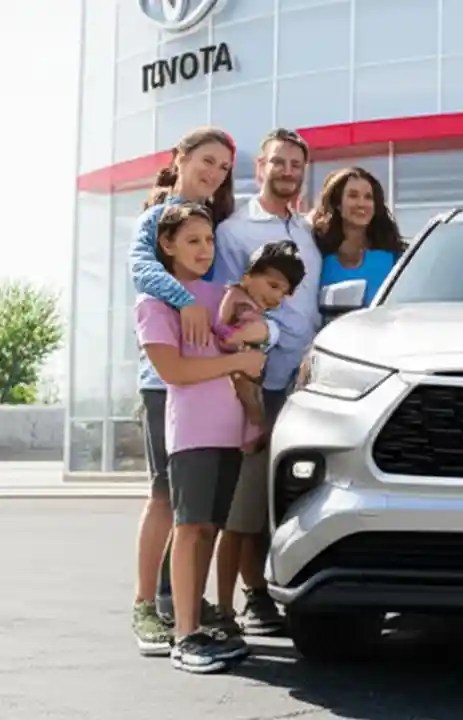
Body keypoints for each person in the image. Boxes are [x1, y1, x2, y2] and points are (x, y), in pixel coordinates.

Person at [128, 125, 244, 655]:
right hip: (166, 382)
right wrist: (184, 299)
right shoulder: (157, 218)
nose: (214, 172)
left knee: (199, 508)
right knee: (164, 495)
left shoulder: (215, 224)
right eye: (207, 160)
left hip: (211, 386)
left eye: (223, 166)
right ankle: (145, 605)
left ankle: (180, 601)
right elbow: (140, 268)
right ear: (181, 158)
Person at [135, 202, 265, 673]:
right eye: (192, 240)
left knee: (209, 529)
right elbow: (175, 371)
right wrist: (236, 361)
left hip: (232, 431)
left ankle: (194, 625)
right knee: (189, 529)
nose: (204, 249)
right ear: (166, 245)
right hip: (191, 432)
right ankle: (184, 635)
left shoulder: (220, 295)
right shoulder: (154, 304)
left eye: (209, 240)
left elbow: (255, 337)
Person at [211, 128, 323, 635]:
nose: (287, 171)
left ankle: (278, 589)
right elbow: (229, 313)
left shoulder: (308, 233)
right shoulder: (235, 232)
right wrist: (267, 335)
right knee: (246, 503)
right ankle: (244, 599)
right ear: (260, 168)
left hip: (308, 384)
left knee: (289, 498)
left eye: (296, 164)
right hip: (257, 384)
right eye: (278, 162)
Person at [214, 241, 306, 433]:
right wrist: (237, 336)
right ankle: (256, 425)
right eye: (273, 286)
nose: (277, 297)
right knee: (254, 410)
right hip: (237, 370)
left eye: (283, 293)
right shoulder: (237, 296)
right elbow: (223, 328)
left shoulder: (258, 309)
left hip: (254, 372)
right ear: (247, 277)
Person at [313, 166, 404, 307]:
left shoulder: (395, 257)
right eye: (353, 196)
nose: (362, 204)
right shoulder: (316, 252)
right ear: (337, 203)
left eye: (368, 197)